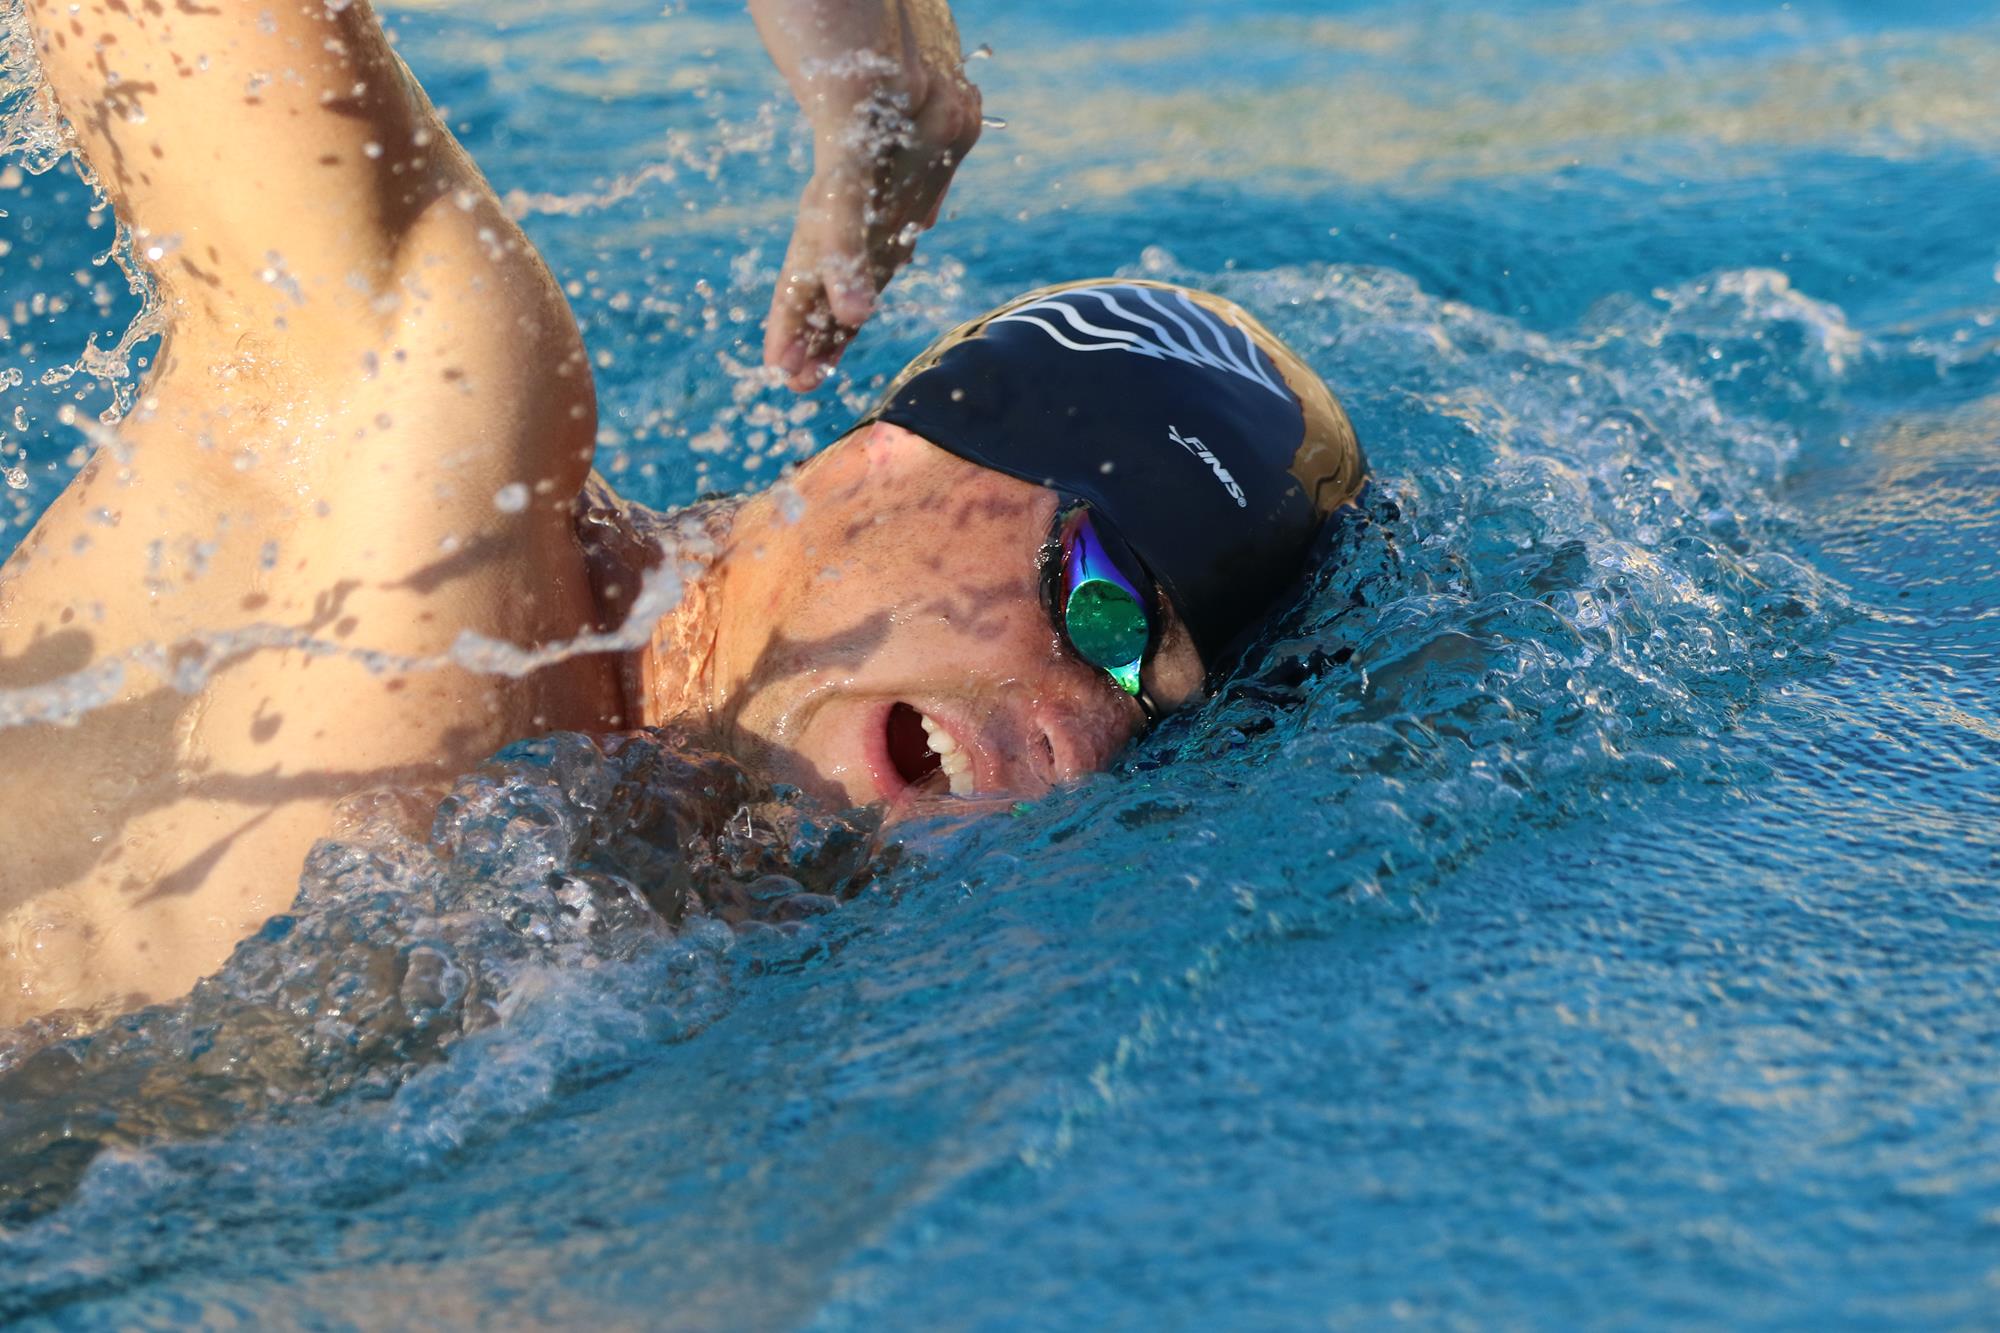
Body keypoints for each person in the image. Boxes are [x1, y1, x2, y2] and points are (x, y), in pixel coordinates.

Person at [0, 0, 1364, 1022]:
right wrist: (869, 50)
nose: (1084, 738)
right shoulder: (429, 463)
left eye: (1154, 728)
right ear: (887, 456)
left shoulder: (664, 939)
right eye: (1102, 602)